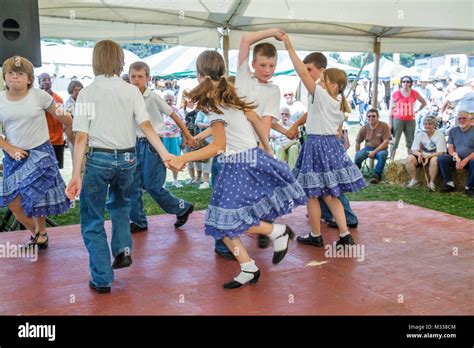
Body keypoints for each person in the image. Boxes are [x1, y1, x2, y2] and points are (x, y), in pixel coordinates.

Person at [168, 50, 307, 289]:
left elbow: (219, 145)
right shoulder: (229, 95)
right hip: (247, 160)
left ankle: (277, 231)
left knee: (231, 219)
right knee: (222, 222)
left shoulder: (215, 103)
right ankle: (248, 266)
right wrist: (265, 147)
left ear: (199, 75)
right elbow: (253, 118)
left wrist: (185, 158)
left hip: (240, 165)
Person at [65, 40, 172, 294]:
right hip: (127, 158)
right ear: (120, 61)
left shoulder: (88, 93)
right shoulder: (131, 91)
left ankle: (102, 278)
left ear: (95, 60)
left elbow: (81, 137)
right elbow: (146, 126)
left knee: (92, 218)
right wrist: (165, 154)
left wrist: (75, 175)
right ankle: (123, 248)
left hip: (99, 158)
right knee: (121, 205)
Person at [283, 33, 365, 248]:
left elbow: (301, 72)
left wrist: (289, 47)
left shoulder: (321, 95)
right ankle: (345, 234)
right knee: (331, 195)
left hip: (316, 144)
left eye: (323, 80)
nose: (319, 81)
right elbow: (337, 133)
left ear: (334, 85)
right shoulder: (339, 103)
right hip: (330, 146)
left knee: (312, 194)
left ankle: (316, 235)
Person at [0, 56, 72, 249]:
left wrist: (81, 131)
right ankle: (37, 232)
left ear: (29, 79)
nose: (15, 77)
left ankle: (41, 236)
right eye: (11, 73)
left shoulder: (40, 96)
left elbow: (62, 116)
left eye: (21, 73)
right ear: (4, 77)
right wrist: (10, 148)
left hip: (40, 153)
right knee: (13, 202)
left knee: (38, 198)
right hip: (13, 156)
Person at [231, 28, 291, 250]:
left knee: (256, 190)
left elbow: (265, 121)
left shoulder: (273, 90)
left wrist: (265, 149)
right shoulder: (243, 76)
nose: (267, 70)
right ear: (253, 64)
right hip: (232, 145)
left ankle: (266, 224)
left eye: (272, 66)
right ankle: (230, 238)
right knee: (235, 193)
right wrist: (274, 32)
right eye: (263, 65)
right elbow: (246, 39)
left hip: (254, 146)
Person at [127, 61, 195, 234]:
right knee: (132, 186)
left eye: (140, 77)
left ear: (148, 79)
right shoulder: (127, 97)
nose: (135, 80)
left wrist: (187, 135)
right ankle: (138, 221)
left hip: (153, 144)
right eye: (132, 76)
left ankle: (182, 207)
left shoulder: (153, 96)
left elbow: (174, 115)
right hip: (134, 144)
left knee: (153, 186)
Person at [437, 110, 474, 197]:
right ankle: (449, 184)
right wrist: (456, 157)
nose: (461, 120)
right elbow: (450, 149)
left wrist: (465, 160)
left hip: (470, 159)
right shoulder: (452, 131)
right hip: (457, 158)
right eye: (459, 118)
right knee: (442, 158)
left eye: (464, 118)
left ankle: (470, 187)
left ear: (470, 119)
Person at [389, 76, 427, 160]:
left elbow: (424, 103)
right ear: (401, 83)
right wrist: (390, 123)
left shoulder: (414, 93)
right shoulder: (396, 94)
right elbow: (390, 109)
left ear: (410, 83)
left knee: (410, 142)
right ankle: (391, 161)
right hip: (398, 120)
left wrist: (417, 111)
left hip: (410, 120)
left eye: (408, 81)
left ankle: (411, 160)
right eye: (404, 81)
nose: (406, 83)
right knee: (394, 141)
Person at [405, 116, 446, 191]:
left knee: (434, 160)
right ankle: (414, 180)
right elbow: (414, 150)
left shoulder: (440, 135)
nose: (427, 126)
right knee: (409, 159)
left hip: (434, 156)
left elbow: (441, 152)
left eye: (430, 124)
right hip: (422, 156)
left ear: (434, 125)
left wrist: (428, 156)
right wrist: (419, 154)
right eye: (425, 124)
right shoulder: (420, 134)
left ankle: (431, 182)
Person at [38, 73, 69, 169]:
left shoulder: (58, 98)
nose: (47, 82)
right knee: (42, 169)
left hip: (57, 140)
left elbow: (63, 117)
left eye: (49, 79)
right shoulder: (36, 98)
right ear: (39, 83)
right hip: (40, 141)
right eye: (44, 80)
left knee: (55, 169)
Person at [354, 109, 391, 184]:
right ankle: (356, 173)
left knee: (382, 154)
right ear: (367, 117)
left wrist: (374, 152)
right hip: (368, 148)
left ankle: (376, 175)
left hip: (381, 149)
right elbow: (357, 142)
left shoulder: (384, 126)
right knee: (358, 155)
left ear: (378, 117)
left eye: (373, 116)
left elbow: (386, 142)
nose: (371, 118)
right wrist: (358, 153)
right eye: (369, 116)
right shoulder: (364, 128)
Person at [162, 90, 185, 188]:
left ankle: (175, 180)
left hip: (175, 139)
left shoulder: (177, 111)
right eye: (166, 100)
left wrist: (184, 140)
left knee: (175, 160)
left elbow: (183, 127)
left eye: (170, 100)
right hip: (163, 139)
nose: (168, 102)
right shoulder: (160, 111)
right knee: (162, 161)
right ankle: (162, 182)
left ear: (174, 100)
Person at [179, 91, 201, 185]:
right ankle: (192, 177)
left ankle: (198, 178)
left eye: (190, 97)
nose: (189, 99)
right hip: (185, 138)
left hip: (197, 137)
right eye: (187, 97)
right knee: (188, 159)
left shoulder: (198, 110)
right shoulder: (181, 110)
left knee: (198, 158)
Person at [64, 80, 83, 158]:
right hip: (73, 134)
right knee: (76, 158)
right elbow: (67, 123)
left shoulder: (85, 101)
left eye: (80, 89)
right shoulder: (67, 104)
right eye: (76, 90)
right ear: (71, 91)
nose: (78, 92)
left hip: (84, 134)